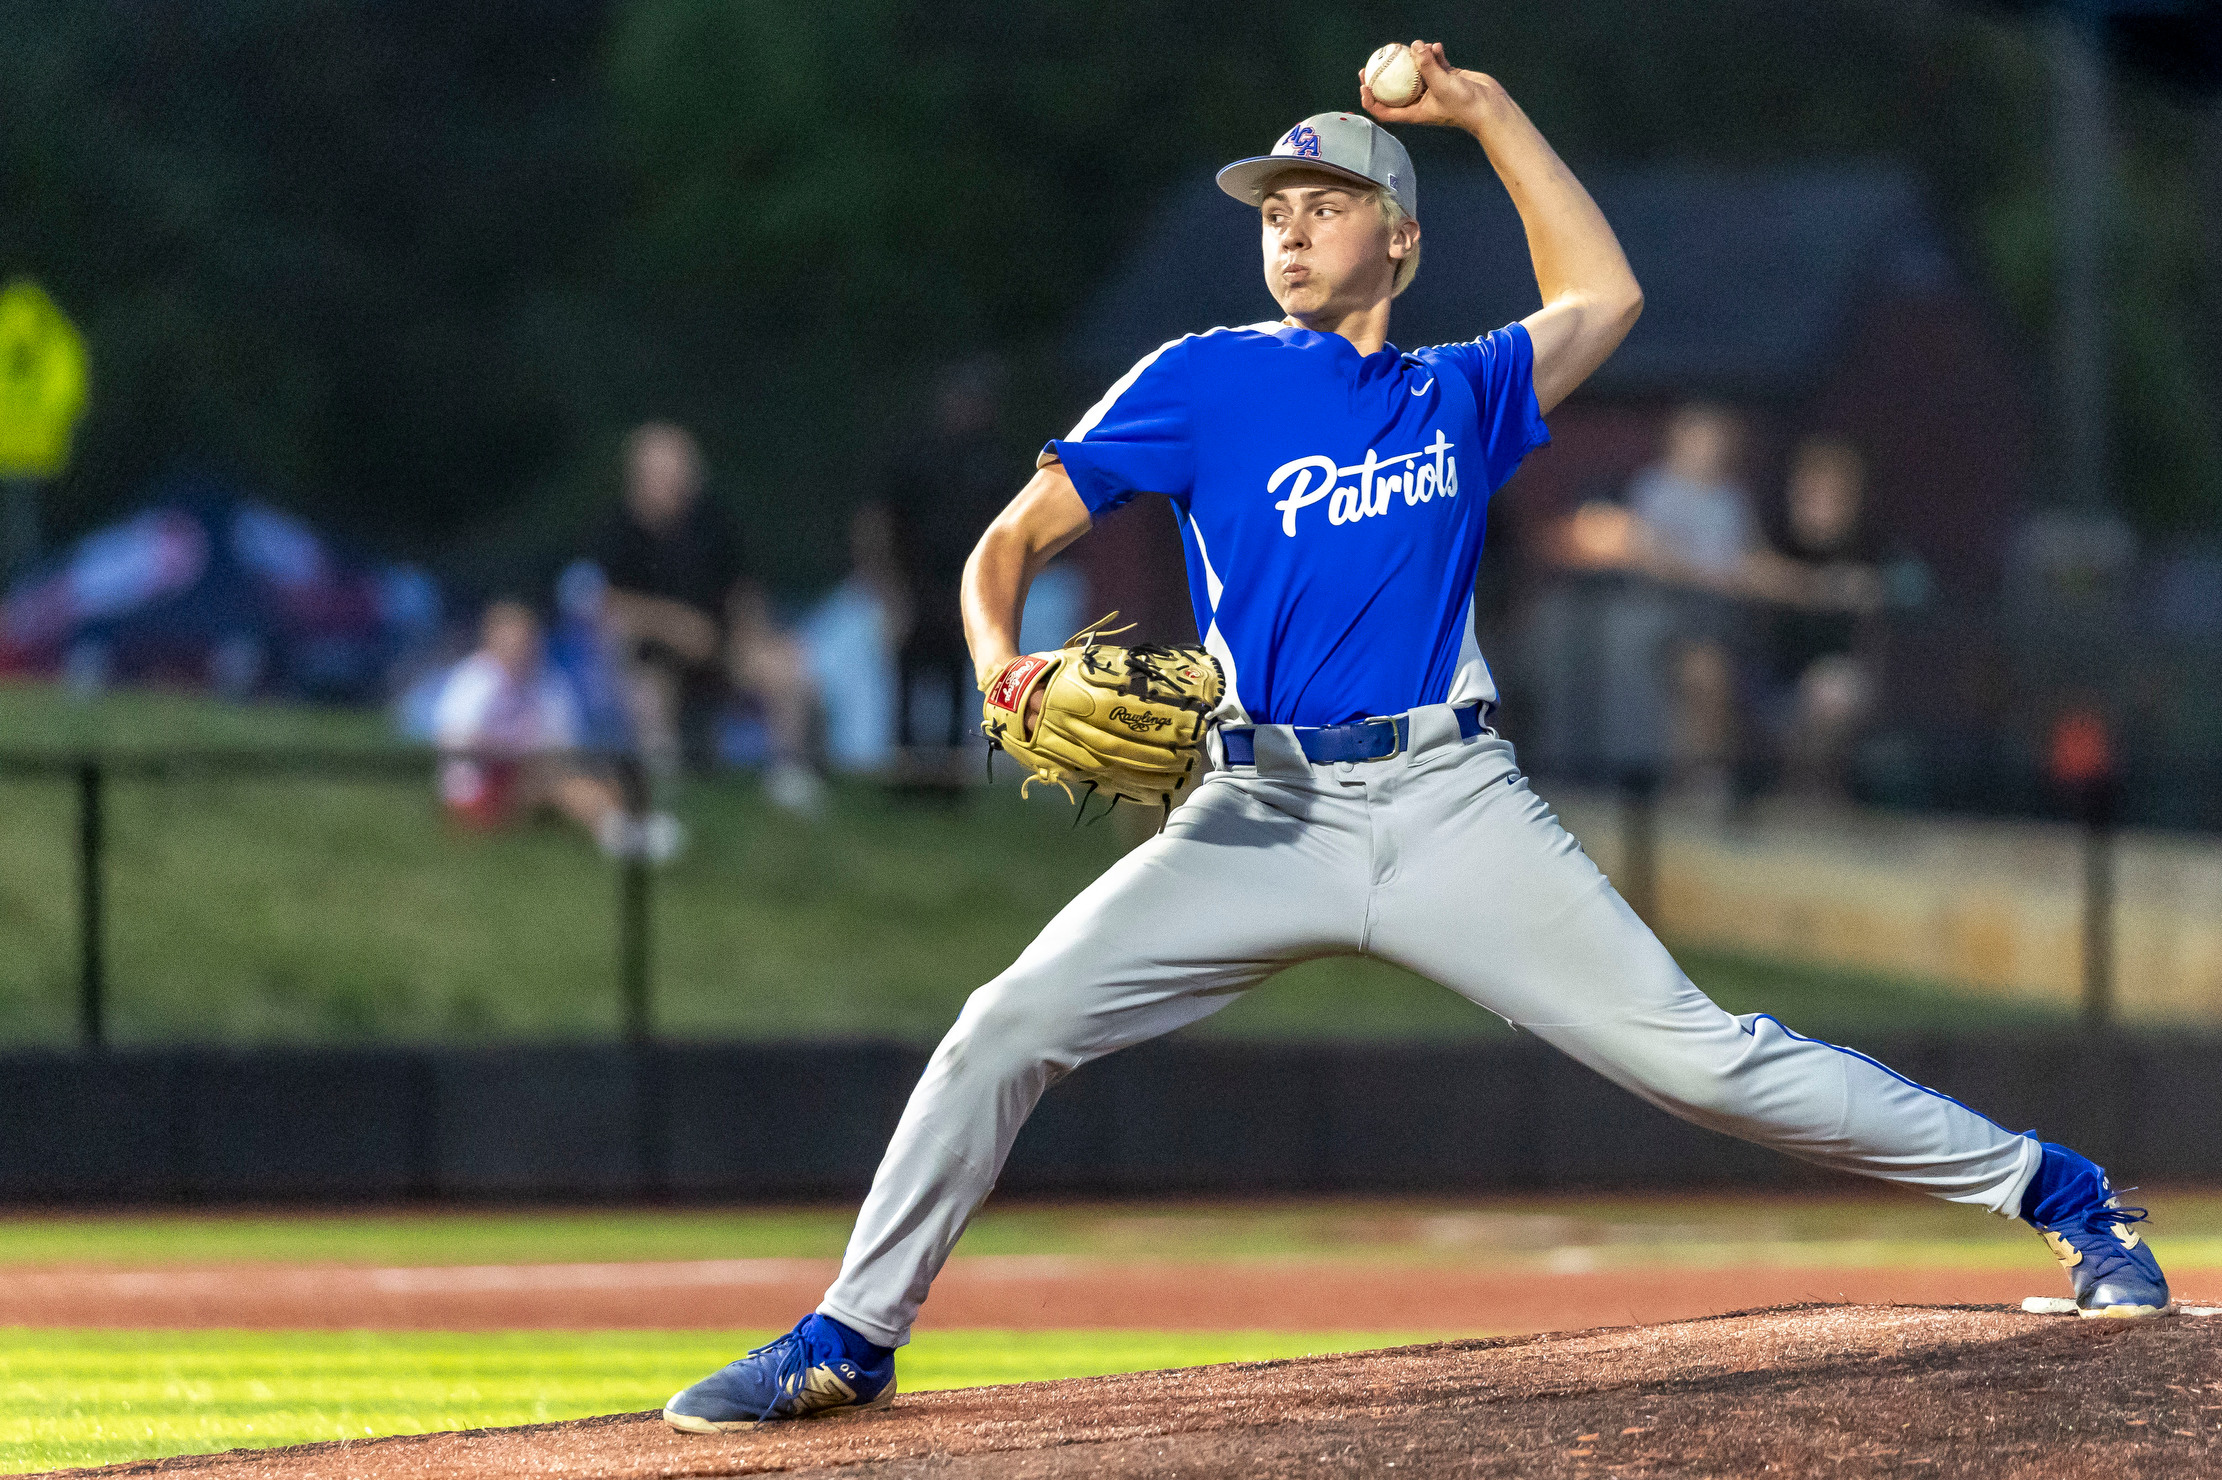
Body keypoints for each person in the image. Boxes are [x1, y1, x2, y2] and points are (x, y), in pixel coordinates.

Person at [662, 43, 2169, 1432]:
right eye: (1274, 206)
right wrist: (1001, 677)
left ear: (1399, 238)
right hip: (1253, 817)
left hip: (1452, 803)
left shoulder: (1461, 390)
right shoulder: (1200, 378)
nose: (1289, 226)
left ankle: (2059, 1187)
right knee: (1004, 1024)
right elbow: (1005, 542)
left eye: (1324, 203)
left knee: (1705, 1063)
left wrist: (1482, 112)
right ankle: (851, 1336)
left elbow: (1607, 301)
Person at [592, 422, 823, 812]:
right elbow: (612, 605)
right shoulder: (617, 528)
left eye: (681, 467)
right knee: (645, 688)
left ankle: (790, 774)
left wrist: (757, 635)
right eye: (665, 470)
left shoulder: (713, 520)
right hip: (653, 653)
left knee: (786, 668)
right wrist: (674, 624)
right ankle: (664, 785)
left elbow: (742, 589)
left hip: (722, 644)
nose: (677, 478)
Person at [433, 600, 681, 862]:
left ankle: (621, 827)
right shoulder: (473, 681)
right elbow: (455, 744)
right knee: (560, 782)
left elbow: (564, 741)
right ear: (491, 637)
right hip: (479, 787)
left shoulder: (546, 682)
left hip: (531, 775)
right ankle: (625, 836)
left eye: (524, 637)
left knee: (601, 780)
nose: (519, 646)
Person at [884, 357, 1016, 781]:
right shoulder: (917, 455)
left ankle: (951, 776)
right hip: (916, 584)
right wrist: (890, 590)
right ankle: (905, 771)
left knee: (961, 680)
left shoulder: (992, 462)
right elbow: (885, 520)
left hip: (965, 588)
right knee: (907, 679)